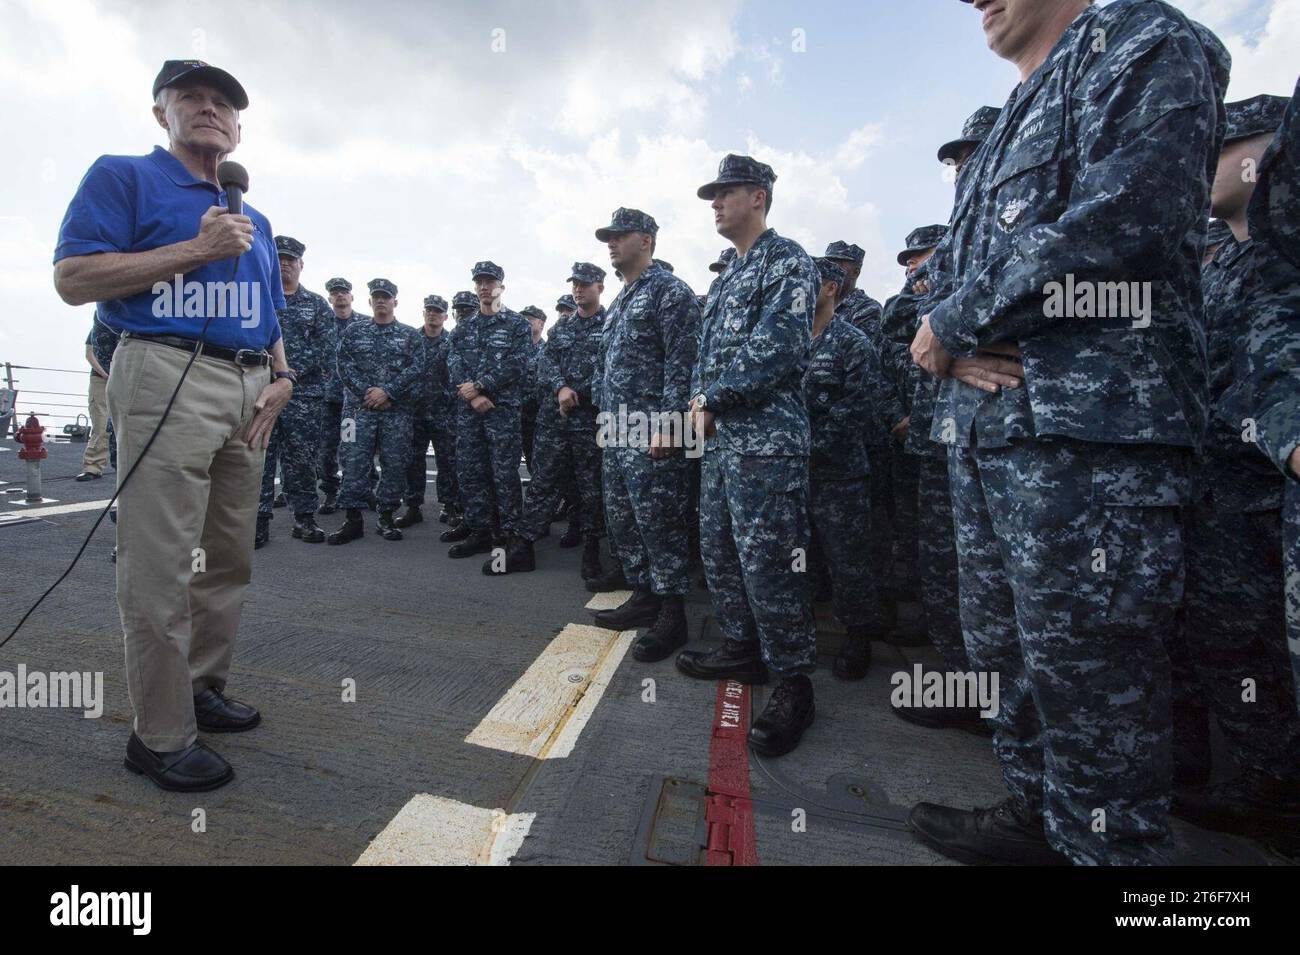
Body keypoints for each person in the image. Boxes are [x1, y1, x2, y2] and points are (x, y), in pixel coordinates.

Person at [907, 0, 1229, 865]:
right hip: (993, 443)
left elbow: (1133, 218)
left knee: (1094, 692)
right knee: (1008, 658)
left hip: (1090, 450)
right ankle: (1035, 817)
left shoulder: (1142, 44)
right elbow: (939, 292)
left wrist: (962, 317)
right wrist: (950, 334)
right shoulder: (1007, 119)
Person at [53, 59, 291, 791]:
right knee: (160, 565)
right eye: (191, 97)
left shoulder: (255, 217)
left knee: (226, 558)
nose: (210, 109)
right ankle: (158, 735)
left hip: (250, 386)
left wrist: (282, 376)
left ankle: (201, 686)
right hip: (165, 370)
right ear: (162, 114)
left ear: (240, 127)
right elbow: (73, 279)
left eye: (224, 103)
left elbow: (269, 311)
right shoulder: (122, 176)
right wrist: (197, 248)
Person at [1172, 94, 1300, 847]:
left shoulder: (1281, 262)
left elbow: (1277, 372)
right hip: (1213, 493)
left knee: (1260, 656)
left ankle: (1273, 795)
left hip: (1259, 501)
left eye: (1222, 148)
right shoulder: (1219, 262)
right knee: (1221, 647)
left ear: (1266, 153)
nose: (1206, 165)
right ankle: (1248, 782)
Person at [678, 155, 819, 758]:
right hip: (721, 443)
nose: (715, 202)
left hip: (766, 444)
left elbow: (780, 346)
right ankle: (741, 648)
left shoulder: (786, 261)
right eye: (712, 194)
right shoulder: (727, 276)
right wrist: (694, 404)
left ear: (758, 197)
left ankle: (793, 680)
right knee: (720, 550)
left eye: (726, 192)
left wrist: (713, 397)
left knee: (770, 563)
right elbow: (705, 358)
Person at [588, 209, 700, 662]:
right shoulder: (621, 299)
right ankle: (643, 594)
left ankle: (673, 612)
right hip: (616, 429)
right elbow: (607, 365)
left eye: (620, 236)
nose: (611, 244)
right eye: (608, 237)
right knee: (624, 519)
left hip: (652, 431)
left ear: (647, 241)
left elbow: (685, 364)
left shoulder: (670, 293)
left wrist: (670, 426)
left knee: (662, 522)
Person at [490, 264, 608, 580]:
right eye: (575, 284)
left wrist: (578, 392)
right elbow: (546, 365)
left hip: (590, 423)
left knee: (591, 490)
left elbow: (612, 373)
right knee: (542, 484)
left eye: (585, 284)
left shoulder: (613, 326)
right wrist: (560, 387)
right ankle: (522, 548)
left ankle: (593, 550)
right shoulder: (561, 329)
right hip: (553, 422)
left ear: (600, 287)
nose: (578, 290)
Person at [805, 258, 892, 679]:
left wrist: (806, 446)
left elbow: (859, 409)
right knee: (799, 558)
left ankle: (858, 635)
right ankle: (802, 630)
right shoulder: (787, 341)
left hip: (838, 473)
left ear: (829, 289)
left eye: (808, 282)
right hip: (792, 474)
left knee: (848, 560)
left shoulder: (853, 343)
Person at [444, 262, 532, 559]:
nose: (484, 286)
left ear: (501, 287)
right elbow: (453, 364)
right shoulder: (464, 327)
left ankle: (509, 533)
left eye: (490, 281)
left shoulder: (517, 325)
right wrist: (471, 396)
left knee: (504, 474)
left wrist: (481, 386)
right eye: (479, 282)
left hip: (502, 411)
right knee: (471, 472)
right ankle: (480, 530)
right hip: (470, 412)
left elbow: (519, 363)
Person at [327, 279, 422, 544]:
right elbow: (343, 365)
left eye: (386, 296)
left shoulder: (410, 336)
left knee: (394, 463)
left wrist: (388, 392)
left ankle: (386, 517)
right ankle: (353, 520)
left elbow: (416, 370)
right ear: (369, 301)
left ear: (395, 302)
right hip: (356, 412)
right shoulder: (354, 332)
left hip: (396, 412)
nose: (381, 300)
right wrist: (368, 394)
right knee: (352, 461)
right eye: (376, 296)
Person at [255, 235, 336, 548]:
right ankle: (258, 520)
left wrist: (288, 372)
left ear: (301, 265)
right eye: (280, 258)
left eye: (291, 259)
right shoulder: (257, 297)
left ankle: (304, 518)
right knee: (259, 455)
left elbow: (328, 348)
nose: (285, 263)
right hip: (261, 391)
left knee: (301, 459)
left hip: (303, 396)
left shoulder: (316, 304)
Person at [395, 294, 460, 529]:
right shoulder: (410, 339)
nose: (433, 314)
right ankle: (413, 507)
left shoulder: (452, 341)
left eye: (438, 311)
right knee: (413, 460)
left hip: (444, 412)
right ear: (423, 313)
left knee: (447, 461)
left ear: (445, 315)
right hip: (415, 412)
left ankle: (450, 507)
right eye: (429, 310)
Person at [317, 277, 369, 514]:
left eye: (344, 292)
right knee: (327, 449)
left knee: (355, 447)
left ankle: (364, 490)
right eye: (335, 293)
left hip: (355, 402)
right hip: (327, 400)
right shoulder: (321, 323)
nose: (340, 296)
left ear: (352, 296)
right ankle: (330, 492)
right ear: (329, 297)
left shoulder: (365, 325)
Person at [76, 312, 112, 482]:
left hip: (124, 377)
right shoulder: (97, 328)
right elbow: (89, 353)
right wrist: (105, 374)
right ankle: (93, 467)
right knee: (101, 424)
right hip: (100, 379)